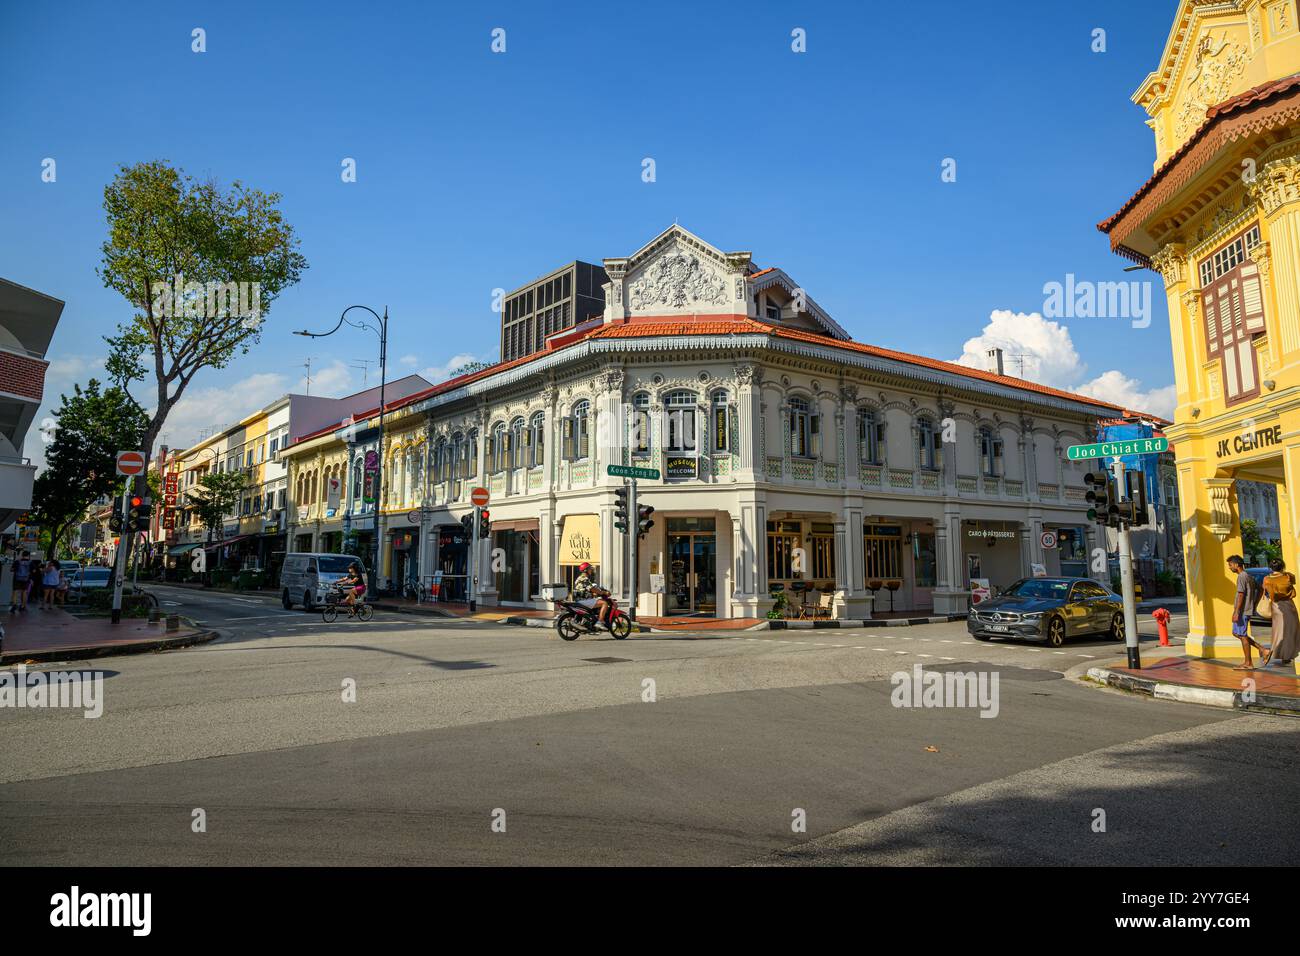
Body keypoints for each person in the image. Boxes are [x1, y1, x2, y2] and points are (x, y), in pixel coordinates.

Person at [1228, 555, 1266, 670]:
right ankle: (1261, 649)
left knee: (1242, 635)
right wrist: (1254, 603)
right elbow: (1260, 589)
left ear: (1236, 564)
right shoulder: (1249, 576)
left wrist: (1236, 612)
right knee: (1237, 633)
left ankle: (1248, 662)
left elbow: (1241, 594)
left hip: (1242, 610)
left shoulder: (1241, 577)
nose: (1229, 568)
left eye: (1230, 565)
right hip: (1247, 609)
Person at [1261, 557, 1299, 668]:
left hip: (1276, 606)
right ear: (1282, 566)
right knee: (1291, 630)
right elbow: (1294, 581)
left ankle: (1279, 653)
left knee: (1279, 631)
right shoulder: (1288, 576)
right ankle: (1289, 654)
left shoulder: (1267, 579)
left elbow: (1265, 589)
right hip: (1289, 605)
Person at [571, 561, 611, 631]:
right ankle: (600, 622)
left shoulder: (579, 578)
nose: (591, 570)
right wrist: (603, 592)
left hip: (579, 599)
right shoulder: (584, 578)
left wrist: (595, 592)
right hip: (583, 600)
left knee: (596, 601)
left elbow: (587, 589)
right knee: (604, 603)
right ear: (586, 570)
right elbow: (592, 589)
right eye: (590, 569)